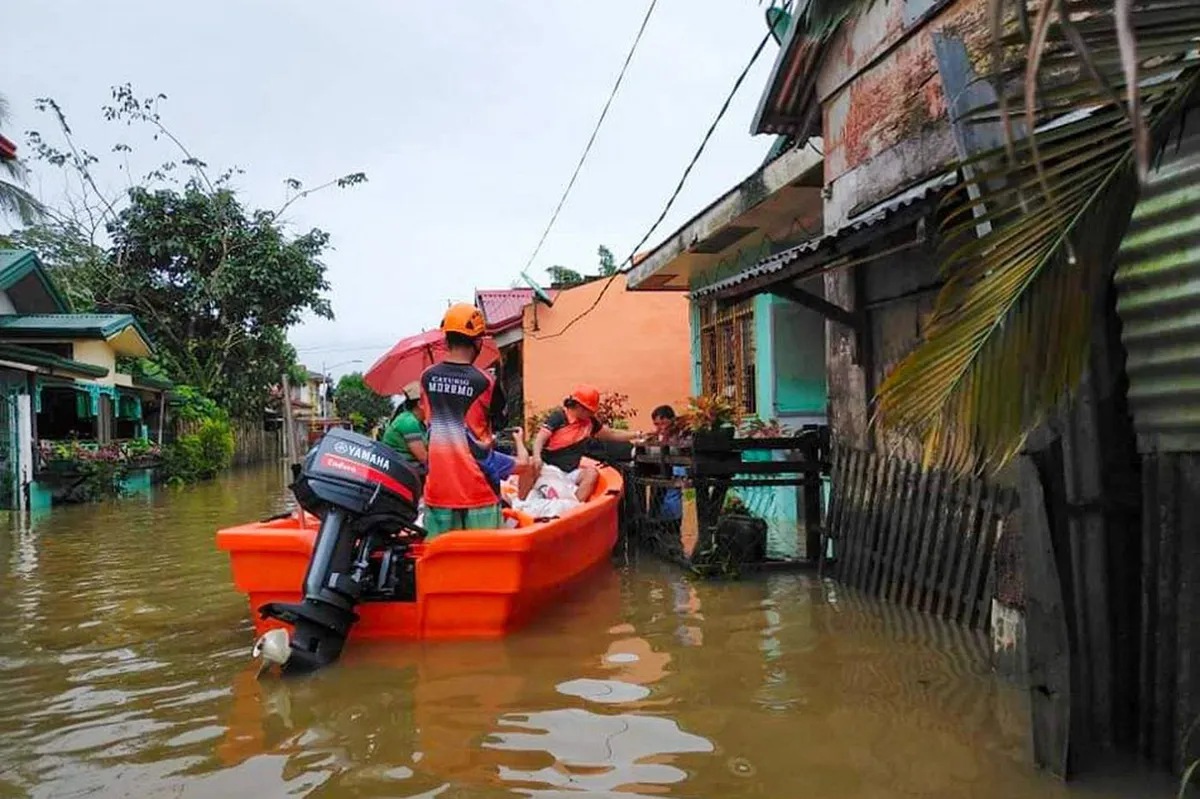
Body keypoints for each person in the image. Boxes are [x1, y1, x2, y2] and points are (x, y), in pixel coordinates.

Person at [419, 303, 526, 538]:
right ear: (477, 341)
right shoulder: (486, 382)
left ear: (446, 339)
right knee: (485, 563)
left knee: (442, 564)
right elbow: (498, 421)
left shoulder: (426, 378)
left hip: (440, 487)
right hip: (479, 486)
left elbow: (428, 420)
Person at [522, 384, 644, 503]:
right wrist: (537, 457)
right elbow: (540, 439)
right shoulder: (559, 417)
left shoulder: (590, 422)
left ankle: (576, 507)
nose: (592, 414)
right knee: (552, 488)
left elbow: (611, 434)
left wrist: (638, 434)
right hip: (550, 470)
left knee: (592, 473)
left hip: (571, 472)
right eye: (590, 411)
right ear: (580, 407)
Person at [649, 405, 685, 534]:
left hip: (674, 477)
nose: (660, 428)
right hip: (659, 478)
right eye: (656, 424)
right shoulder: (657, 437)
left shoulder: (681, 435)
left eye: (662, 423)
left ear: (671, 420)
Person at [379, 381, 427, 469]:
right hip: (401, 469)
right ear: (420, 404)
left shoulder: (419, 423)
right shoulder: (408, 422)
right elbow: (424, 458)